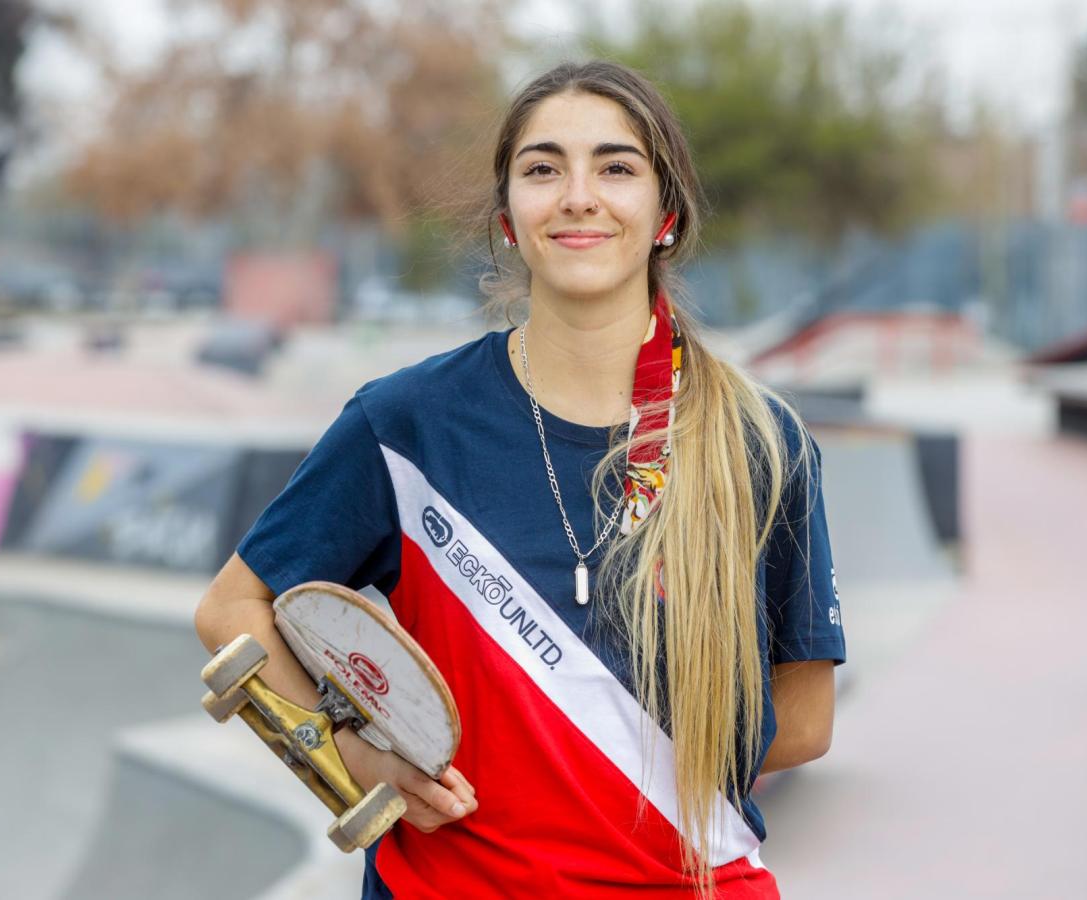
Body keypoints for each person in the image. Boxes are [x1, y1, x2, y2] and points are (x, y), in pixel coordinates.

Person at [194, 60, 845, 898]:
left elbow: (805, 719)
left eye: (616, 167)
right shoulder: (407, 422)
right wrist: (352, 754)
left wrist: (602, 760)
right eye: (543, 169)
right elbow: (230, 610)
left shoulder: (762, 440)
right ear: (508, 219)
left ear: (666, 214)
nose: (579, 196)